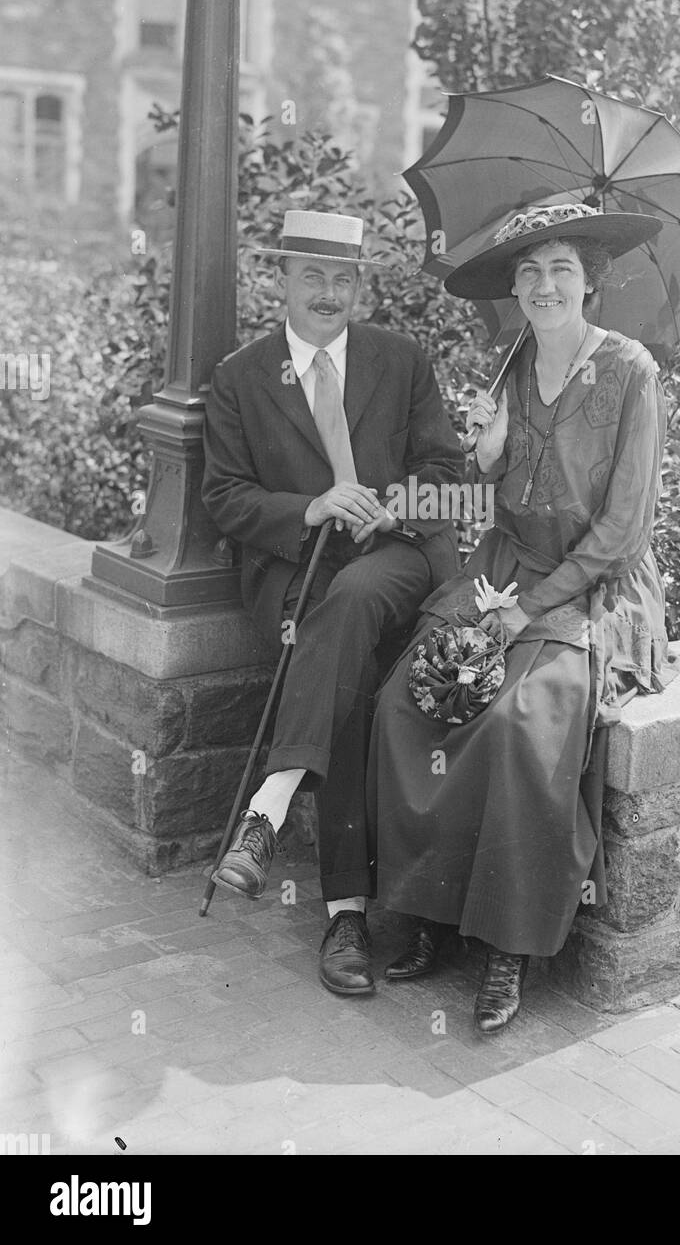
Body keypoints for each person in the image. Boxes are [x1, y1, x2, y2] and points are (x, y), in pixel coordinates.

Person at [366, 201, 680, 1032]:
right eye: (529, 272)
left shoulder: (629, 372)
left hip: (590, 582)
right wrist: (489, 451)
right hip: (502, 564)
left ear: (591, 284)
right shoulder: (507, 368)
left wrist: (527, 612)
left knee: (517, 724)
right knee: (409, 700)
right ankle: (430, 912)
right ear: (515, 287)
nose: (543, 285)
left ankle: (507, 943)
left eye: (561, 270)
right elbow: (492, 497)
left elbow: (623, 529)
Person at [201, 210, 463, 996]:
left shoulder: (400, 360)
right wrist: (310, 508)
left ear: (359, 286)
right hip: (301, 570)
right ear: (279, 280)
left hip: (398, 555)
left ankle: (269, 807)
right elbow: (224, 497)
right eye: (310, 276)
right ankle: (347, 916)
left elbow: (447, 474)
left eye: (342, 278)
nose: (326, 293)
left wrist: (392, 506)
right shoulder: (239, 377)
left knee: (349, 602)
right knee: (342, 666)